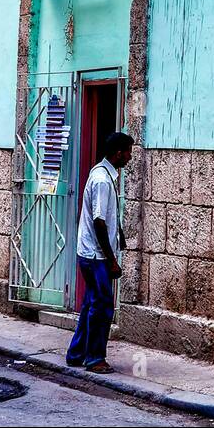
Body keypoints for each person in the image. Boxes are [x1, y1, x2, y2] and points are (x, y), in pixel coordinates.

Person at [66, 132, 133, 374]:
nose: (129, 157)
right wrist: (112, 260)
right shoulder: (103, 180)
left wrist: (120, 236)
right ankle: (94, 358)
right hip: (97, 256)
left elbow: (104, 217)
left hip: (90, 252)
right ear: (118, 153)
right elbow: (99, 221)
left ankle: (76, 353)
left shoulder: (99, 173)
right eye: (127, 152)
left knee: (90, 304)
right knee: (103, 306)